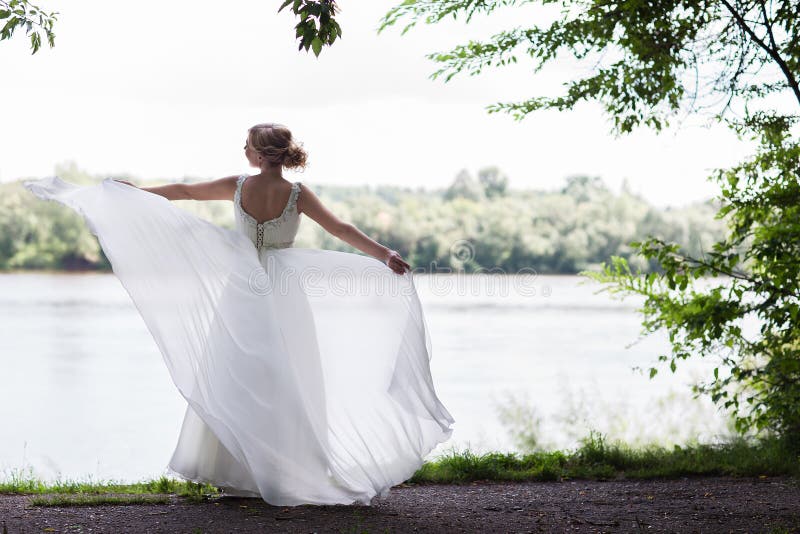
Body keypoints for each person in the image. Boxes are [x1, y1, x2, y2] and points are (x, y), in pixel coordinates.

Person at [23, 122, 455, 506]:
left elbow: (184, 192)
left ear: (260, 154)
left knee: (237, 373)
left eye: (247, 145)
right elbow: (340, 229)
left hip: (244, 288)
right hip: (284, 290)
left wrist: (135, 193)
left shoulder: (238, 184)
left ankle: (238, 472)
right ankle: (285, 468)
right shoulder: (298, 194)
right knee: (289, 376)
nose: (243, 150)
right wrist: (384, 254)